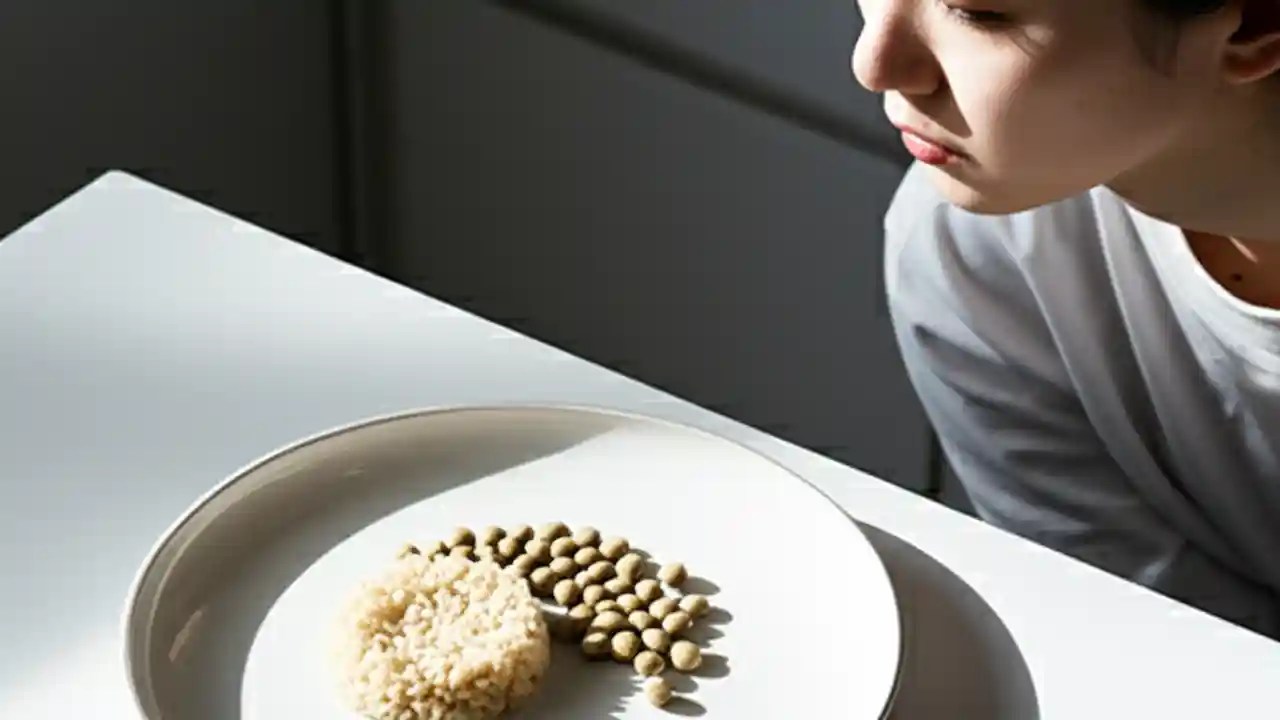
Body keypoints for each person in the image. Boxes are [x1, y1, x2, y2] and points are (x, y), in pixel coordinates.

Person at [855, 0, 1280, 638]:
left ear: (1251, 25)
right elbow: (1153, 640)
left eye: (977, 12)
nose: (875, 64)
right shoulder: (979, 252)